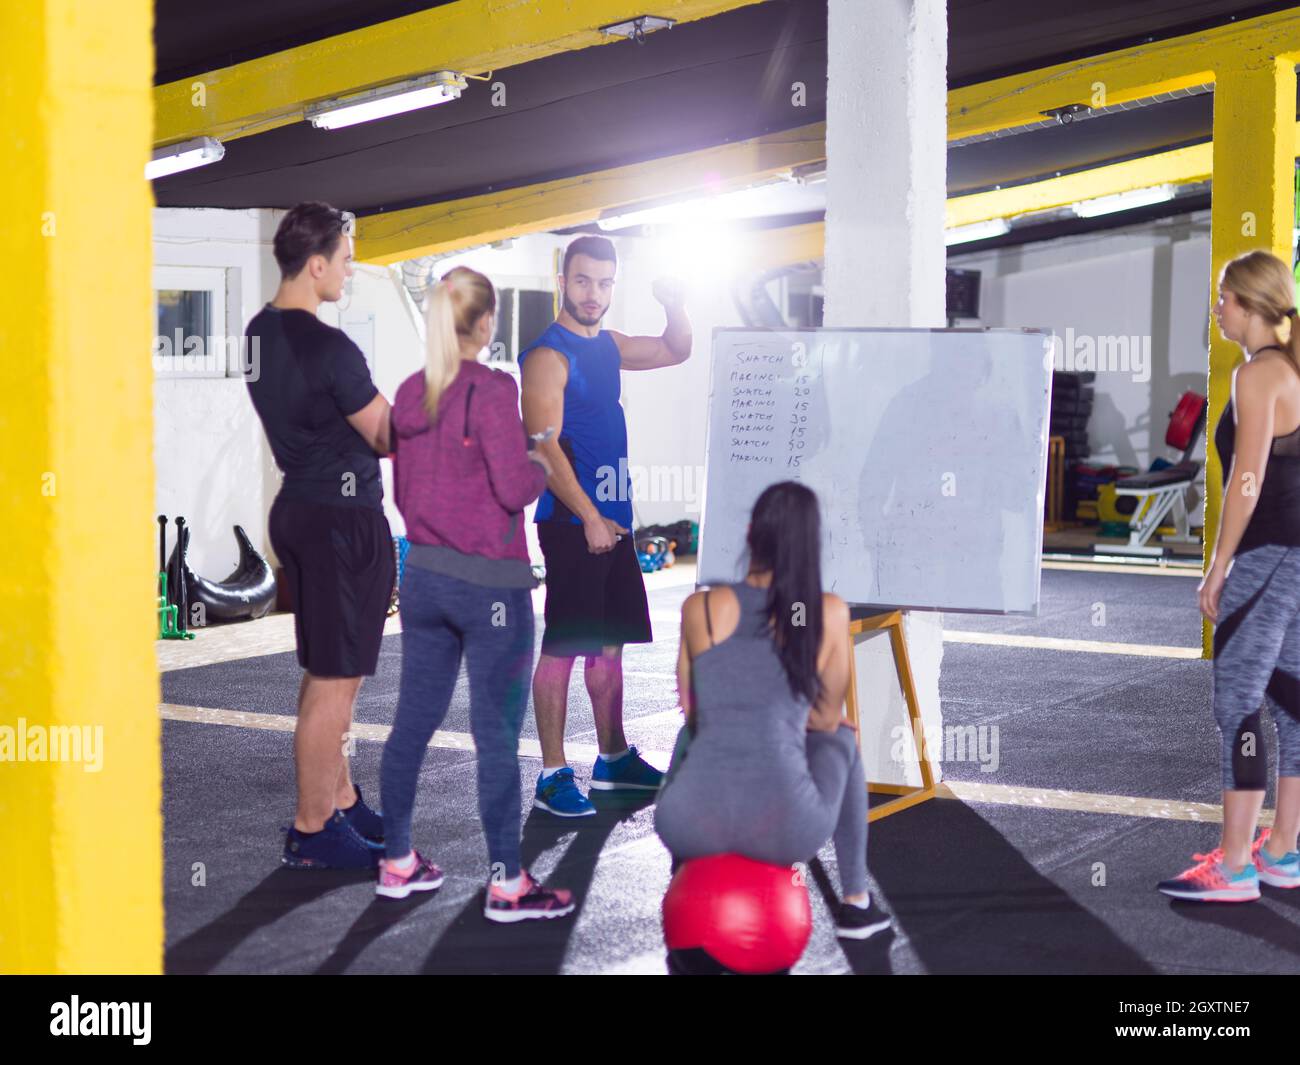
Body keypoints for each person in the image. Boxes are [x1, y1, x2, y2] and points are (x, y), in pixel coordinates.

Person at [379, 266, 574, 921]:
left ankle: (397, 861)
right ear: (486, 323)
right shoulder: (492, 389)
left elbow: (407, 494)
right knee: (495, 737)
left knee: (411, 725)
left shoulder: (409, 393)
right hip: (489, 585)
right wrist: (541, 460)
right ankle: (507, 883)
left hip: (424, 578)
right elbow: (512, 488)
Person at [654, 481, 892, 939]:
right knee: (842, 737)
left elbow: (693, 712)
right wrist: (781, 717)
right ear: (810, 543)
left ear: (749, 534)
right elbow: (824, 718)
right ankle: (856, 904)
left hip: (687, 822)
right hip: (783, 830)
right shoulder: (825, 612)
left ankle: (682, 877)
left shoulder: (698, 607)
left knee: (693, 739)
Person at [518, 235, 691, 816]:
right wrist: (589, 515)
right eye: (584, 281)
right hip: (572, 523)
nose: (594, 293)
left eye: (605, 282)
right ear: (563, 282)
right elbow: (541, 448)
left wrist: (676, 303)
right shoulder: (549, 355)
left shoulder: (609, 346)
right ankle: (550, 775)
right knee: (564, 647)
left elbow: (675, 349)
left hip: (611, 522)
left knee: (608, 647)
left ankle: (614, 761)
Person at [245, 202, 394, 869]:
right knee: (336, 681)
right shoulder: (332, 347)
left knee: (329, 670)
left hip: (298, 511)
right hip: (341, 521)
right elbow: (388, 435)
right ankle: (312, 828)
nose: (349, 270)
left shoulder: (256, 333)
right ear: (316, 264)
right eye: (345, 259)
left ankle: (340, 798)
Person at [1158, 249, 1300, 901]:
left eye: (1223, 298)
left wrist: (1219, 568)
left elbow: (1247, 481)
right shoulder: (1293, 366)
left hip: (1269, 556)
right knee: (1294, 706)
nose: (1217, 309)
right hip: (1296, 559)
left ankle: (1237, 866)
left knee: (1237, 701)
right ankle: (1281, 851)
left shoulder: (1257, 374)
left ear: (1249, 304)